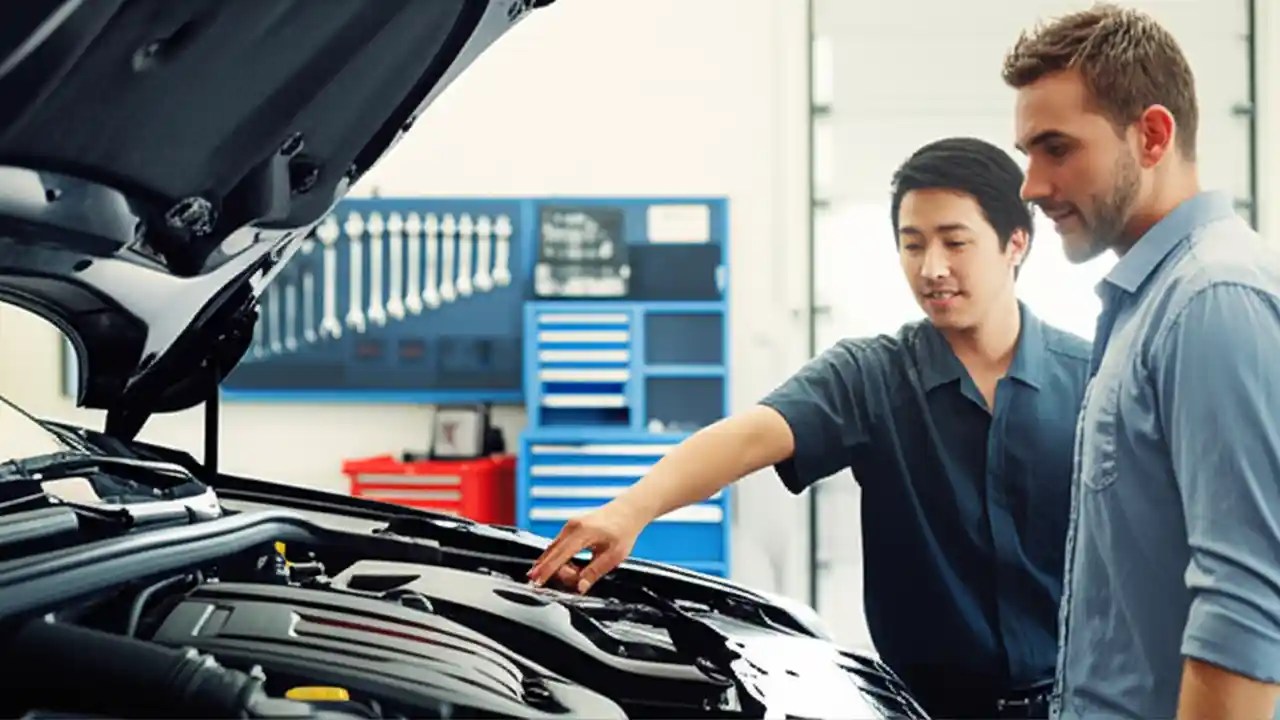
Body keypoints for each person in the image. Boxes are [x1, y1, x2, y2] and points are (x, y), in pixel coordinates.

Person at [526, 136, 1093, 719]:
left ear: (1015, 243)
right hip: (923, 709)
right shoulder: (872, 376)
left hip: (1077, 704)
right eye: (912, 244)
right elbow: (748, 437)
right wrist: (631, 509)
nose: (932, 269)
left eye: (955, 242)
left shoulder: (1093, 380)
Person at [1002, 4, 1280, 719]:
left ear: (1152, 135)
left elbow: (1244, 614)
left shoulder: (1212, 300)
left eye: (1055, 148)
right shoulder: (1150, 302)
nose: (1030, 186)